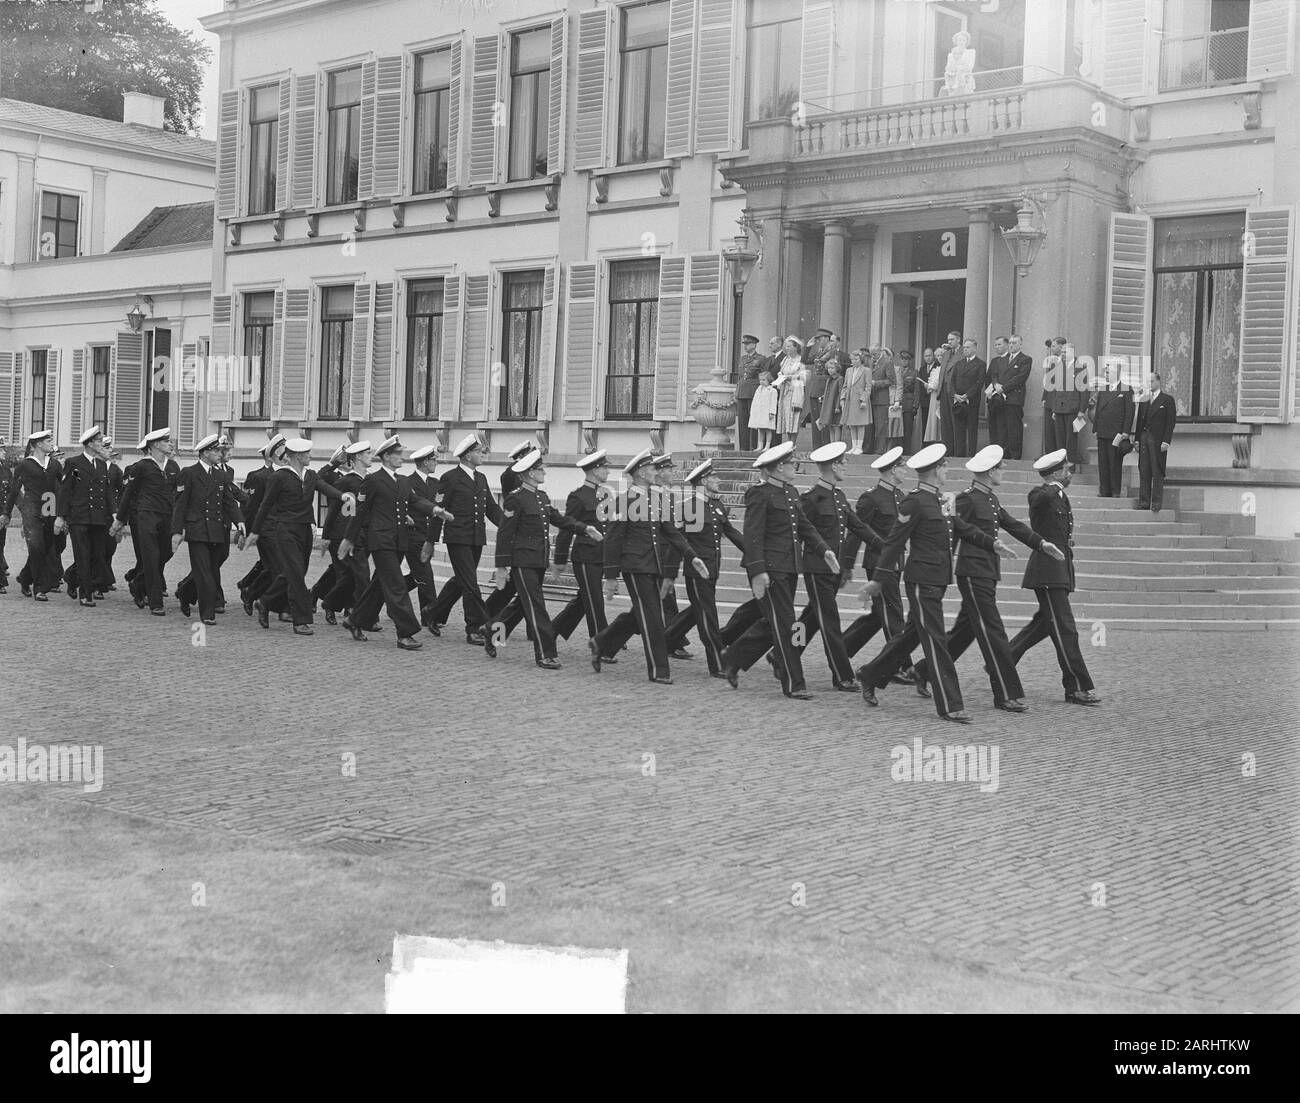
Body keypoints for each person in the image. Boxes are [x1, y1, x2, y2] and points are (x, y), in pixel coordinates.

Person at [855, 443, 1014, 723]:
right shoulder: (913, 501)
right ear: (933, 470)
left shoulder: (942, 500)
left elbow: (962, 529)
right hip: (920, 581)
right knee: (936, 640)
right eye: (943, 466)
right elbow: (894, 541)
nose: (947, 470)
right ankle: (950, 704)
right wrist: (878, 580)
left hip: (938, 579)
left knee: (910, 636)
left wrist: (992, 544)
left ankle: (870, 674)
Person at [912, 445, 1063, 713]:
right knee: (994, 632)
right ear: (990, 471)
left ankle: (922, 670)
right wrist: (941, 568)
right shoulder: (964, 499)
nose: (1003, 471)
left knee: (963, 632)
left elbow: (1013, 525)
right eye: (1001, 468)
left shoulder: (991, 499)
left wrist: (1041, 544)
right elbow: (951, 533)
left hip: (987, 572)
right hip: (971, 574)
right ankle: (1005, 693)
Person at [720, 441, 840, 700]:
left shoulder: (791, 492)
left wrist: (824, 549)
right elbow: (753, 535)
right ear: (776, 468)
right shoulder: (759, 494)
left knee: (774, 622)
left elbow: (805, 526)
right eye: (789, 463)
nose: (793, 466)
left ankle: (732, 657)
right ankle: (794, 683)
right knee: (787, 626)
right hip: (771, 570)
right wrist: (758, 571)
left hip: (789, 566)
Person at [590, 449, 705, 684]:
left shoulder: (654, 499)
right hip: (634, 566)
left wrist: (691, 556)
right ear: (641, 472)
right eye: (653, 469)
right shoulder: (623, 501)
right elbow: (613, 541)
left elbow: (671, 532)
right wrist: (610, 577)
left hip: (653, 565)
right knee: (652, 617)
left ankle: (601, 643)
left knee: (639, 615)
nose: (656, 472)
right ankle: (659, 670)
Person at [786, 441, 882, 690]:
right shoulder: (812, 498)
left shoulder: (838, 497)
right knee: (830, 621)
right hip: (816, 567)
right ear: (831, 466)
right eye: (842, 462)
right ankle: (842, 675)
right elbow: (799, 531)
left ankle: (782, 654)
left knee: (809, 619)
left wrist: (885, 546)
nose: (845, 466)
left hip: (832, 570)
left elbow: (859, 527)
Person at [1009, 449, 1101, 705]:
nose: (1069, 474)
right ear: (1055, 473)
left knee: (1042, 626)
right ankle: (1076, 687)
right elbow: (1037, 500)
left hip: (1058, 571)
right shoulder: (1043, 494)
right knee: (1066, 630)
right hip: (1047, 572)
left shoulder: (1059, 496)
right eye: (1066, 470)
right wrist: (1054, 485)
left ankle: (1001, 662)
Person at [491, 450, 598, 669]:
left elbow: (559, 519)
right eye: (541, 470)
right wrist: (501, 566)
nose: (544, 474)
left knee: (522, 605)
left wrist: (584, 528)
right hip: (522, 561)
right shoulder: (515, 498)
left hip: (538, 560)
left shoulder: (541, 497)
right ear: (530, 473)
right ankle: (545, 654)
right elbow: (504, 533)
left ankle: (492, 635)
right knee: (537, 607)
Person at [339, 436, 445, 650]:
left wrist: (434, 509)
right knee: (396, 586)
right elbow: (360, 512)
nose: (402, 458)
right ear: (386, 456)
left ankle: (355, 620)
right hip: (380, 541)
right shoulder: (373, 480)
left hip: (399, 541)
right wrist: (349, 538)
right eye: (398, 454)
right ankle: (405, 633)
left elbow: (414, 501)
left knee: (379, 586)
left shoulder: (403, 481)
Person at [247, 438, 345, 635]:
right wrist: (254, 532)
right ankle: (300, 620)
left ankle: (265, 602)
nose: (310, 456)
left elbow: (327, 489)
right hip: (285, 530)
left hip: (305, 530)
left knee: (295, 573)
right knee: (296, 574)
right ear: (298, 456)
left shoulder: (310, 476)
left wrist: (343, 496)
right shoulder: (279, 477)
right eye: (307, 454)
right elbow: (264, 506)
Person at [663, 458, 745, 677]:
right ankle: (718, 663)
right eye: (713, 477)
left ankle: (664, 642)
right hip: (697, 571)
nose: (718, 480)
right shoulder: (688, 508)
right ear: (702, 481)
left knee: (697, 611)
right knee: (708, 616)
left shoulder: (716, 505)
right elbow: (676, 541)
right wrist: (670, 575)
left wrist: (754, 553)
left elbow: (732, 533)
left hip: (713, 569)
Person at [426, 434, 507, 655]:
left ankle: (432, 612)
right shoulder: (450, 478)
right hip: (457, 538)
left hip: (476, 538)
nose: (482, 454)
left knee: (461, 580)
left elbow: (491, 507)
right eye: (479, 451)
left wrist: (507, 527)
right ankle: (474, 628)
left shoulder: (480, 478)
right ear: (467, 455)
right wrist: (430, 541)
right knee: (471, 583)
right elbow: (437, 510)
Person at [841, 447, 916, 678]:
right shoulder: (871, 497)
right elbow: (855, 532)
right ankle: (902, 665)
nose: (906, 470)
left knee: (879, 614)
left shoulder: (901, 497)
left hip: (896, 563)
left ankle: (841, 648)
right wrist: (846, 565)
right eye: (903, 467)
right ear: (893, 470)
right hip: (878, 564)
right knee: (893, 612)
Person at [170, 433, 245, 625]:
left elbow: (229, 501)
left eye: (220, 450)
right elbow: (180, 505)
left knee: (210, 571)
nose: (220, 454)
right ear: (204, 453)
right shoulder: (189, 473)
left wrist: (240, 521)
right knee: (204, 574)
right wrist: (177, 531)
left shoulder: (220, 475)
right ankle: (207, 614)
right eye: (215, 450)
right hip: (197, 530)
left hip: (216, 530)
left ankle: (185, 593)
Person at [111, 428, 179, 615]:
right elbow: (128, 494)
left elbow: (177, 495)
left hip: (167, 516)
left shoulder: (173, 467)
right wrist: (120, 520)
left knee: (165, 553)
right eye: (166, 442)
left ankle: (138, 582)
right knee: (150, 556)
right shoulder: (141, 466)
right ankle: (156, 602)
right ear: (155, 445)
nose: (170, 444)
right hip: (146, 516)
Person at [553, 450, 615, 655]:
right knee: (595, 601)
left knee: (584, 601)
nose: (608, 471)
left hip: (601, 555)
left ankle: (549, 632)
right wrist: (560, 559)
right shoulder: (578, 496)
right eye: (604, 467)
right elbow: (566, 527)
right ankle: (603, 644)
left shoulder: (605, 494)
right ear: (595, 470)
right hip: (585, 556)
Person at [56, 425, 117, 607]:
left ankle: (71, 577)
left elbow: (107, 493)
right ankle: (86, 594)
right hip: (79, 516)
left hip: (98, 518)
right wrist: (61, 516)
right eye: (98, 441)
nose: (101, 444)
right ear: (90, 444)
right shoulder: (74, 463)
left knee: (97, 555)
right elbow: (66, 490)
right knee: (82, 554)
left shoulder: (101, 465)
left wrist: (114, 514)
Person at [1, 430, 64, 601]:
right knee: (36, 547)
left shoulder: (54, 464)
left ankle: (25, 577)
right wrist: (6, 513)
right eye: (48, 441)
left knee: (46, 547)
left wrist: (63, 513)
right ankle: (40, 588)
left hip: (49, 507)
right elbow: (14, 490)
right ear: (38, 444)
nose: (51, 443)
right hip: (31, 508)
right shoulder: (25, 465)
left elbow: (65, 484)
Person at [317, 441, 372, 624]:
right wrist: (325, 537)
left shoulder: (370, 480)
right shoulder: (345, 481)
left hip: (363, 535)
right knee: (354, 575)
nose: (371, 456)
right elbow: (333, 509)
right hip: (342, 535)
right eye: (367, 453)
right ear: (357, 458)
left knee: (351, 576)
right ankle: (358, 613)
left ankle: (332, 603)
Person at [237, 434, 286, 612]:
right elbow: (251, 507)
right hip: (266, 529)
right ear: (274, 453)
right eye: (282, 448)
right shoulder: (261, 477)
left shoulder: (288, 473)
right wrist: (246, 532)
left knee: (272, 567)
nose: (286, 451)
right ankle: (261, 598)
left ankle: (250, 591)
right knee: (276, 567)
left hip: (282, 528)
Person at [405, 443, 448, 628]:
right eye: (433, 460)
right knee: (425, 575)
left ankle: (386, 593)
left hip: (427, 534)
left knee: (415, 576)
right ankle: (430, 615)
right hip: (412, 535)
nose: (436, 462)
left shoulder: (436, 483)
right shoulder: (408, 482)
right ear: (424, 462)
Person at [1089, 358, 1136, 498]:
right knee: (1102, 462)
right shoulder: (1103, 389)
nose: (1106, 374)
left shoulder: (1127, 389)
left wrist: (1126, 432)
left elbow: (1130, 412)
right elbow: (1098, 411)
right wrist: (1095, 428)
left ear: (1116, 372)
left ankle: (1115, 490)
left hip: (1116, 433)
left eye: (1109, 371)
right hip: (1103, 431)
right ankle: (1104, 490)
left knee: (1114, 463)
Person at [1134, 371, 1177, 512]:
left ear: (1158, 382)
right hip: (1145, 437)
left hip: (1158, 440)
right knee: (1144, 470)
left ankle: (1156, 502)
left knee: (1157, 470)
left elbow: (1170, 423)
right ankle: (1144, 501)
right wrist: (1137, 440)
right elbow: (1140, 421)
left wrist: (1166, 441)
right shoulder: (1145, 399)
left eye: (1152, 381)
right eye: (1148, 381)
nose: (1149, 384)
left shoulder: (1167, 400)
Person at [949, 337, 986, 458]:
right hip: (958, 401)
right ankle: (959, 455)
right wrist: (955, 394)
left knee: (971, 430)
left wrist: (967, 395)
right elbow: (952, 381)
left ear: (975, 348)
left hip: (971, 402)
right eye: (964, 347)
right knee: (959, 430)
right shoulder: (959, 364)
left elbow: (979, 383)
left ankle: (971, 455)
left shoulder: (980, 364)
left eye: (968, 347)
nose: (965, 349)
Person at [1000, 334, 1032, 460]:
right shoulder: (1003, 359)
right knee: (1003, 428)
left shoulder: (1025, 359)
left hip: (1014, 398)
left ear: (1020, 344)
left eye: (1014, 343)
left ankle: (1015, 455)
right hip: (1001, 398)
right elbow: (996, 373)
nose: (1011, 345)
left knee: (1014, 428)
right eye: (1010, 343)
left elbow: (1020, 378)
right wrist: (996, 385)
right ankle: (1005, 454)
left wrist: (1003, 388)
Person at [734, 334, 766, 451]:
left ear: (754, 345)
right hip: (742, 391)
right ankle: (744, 448)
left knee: (754, 420)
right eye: (744, 344)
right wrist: (736, 391)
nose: (745, 346)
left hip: (753, 391)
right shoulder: (743, 359)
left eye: (747, 344)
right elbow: (740, 377)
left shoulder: (761, 359)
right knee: (742, 421)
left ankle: (754, 446)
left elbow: (763, 376)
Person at [773, 337, 806, 444]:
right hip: (785, 390)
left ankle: (793, 443)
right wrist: (781, 376)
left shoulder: (800, 359)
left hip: (795, 390)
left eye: (789, 346)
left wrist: (789, 377)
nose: (786, 349)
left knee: (794, 417)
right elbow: (781, 371)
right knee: (787, 417)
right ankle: (788, 442)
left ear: (795, 347)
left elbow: (802, 376)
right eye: (786, 346)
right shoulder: (785, 359)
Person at [934, 330, 962, 453]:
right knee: (945, 422)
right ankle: (947, 450)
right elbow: (942, 373)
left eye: (952, 339)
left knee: (955, 421)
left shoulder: (962, 353)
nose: (949, 342)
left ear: (958, 340)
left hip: (955, 390)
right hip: (944, 390)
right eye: (948, 339)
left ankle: (957, 451)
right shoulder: (946, 354)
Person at [842, 349, 872, 454]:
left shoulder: (866, 370)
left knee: (860, 424)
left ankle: (859, 447)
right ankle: (854, 446)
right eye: (852, 359)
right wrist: (843, 398)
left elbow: (868, 387)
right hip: (850, 400)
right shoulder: (849, 371)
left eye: (856, 359)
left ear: (861, 359)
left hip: (860, 401)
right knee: (852, 424)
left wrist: (864, 399)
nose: (854, 361)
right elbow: (845, 386)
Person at [985, 336, 1010, 453]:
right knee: (993, 426)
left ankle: (1003, 451)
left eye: (999, 344)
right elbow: (988, 377)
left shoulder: (1010, 359)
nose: (997, 347)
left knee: (1003, 427)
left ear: (1006, 345)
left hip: (1005, 398)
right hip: (993, 398)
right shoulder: (994, 361)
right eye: (995, 345)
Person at [868, 344, 894, 454]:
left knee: (880, 428)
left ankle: (879, 451)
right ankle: (868, 450)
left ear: (880, 352)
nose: (873, 356)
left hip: (881, 399)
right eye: (871, 354)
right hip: (870, 398)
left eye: (874, 354)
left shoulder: (887, 362)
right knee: (869, 427)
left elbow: (892, 381)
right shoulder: (870, 362)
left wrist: (876, 383)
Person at [748, 368, 778, 452]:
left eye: (763, 380)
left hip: (767, 413)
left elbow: (773, 402)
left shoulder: (772, 390)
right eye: (760, 380)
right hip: (759, 413)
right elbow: (755, 400)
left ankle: (767, 446)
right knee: (760, 429)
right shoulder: (758, 389)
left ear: (769, 380)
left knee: (768, 429)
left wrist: (772, 412)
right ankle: (760, 445)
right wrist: (753, 410)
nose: (761, 382)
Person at [817, 357, 844, 447]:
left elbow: (840, 393)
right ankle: (832, 444)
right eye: (828, 368)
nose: (830, 370)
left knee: (836, 425)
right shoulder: (829, 379)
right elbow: (828, 391)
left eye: (832, 368)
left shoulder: (840, 379)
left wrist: (837, 406)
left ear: (837, 368)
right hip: (829, 405)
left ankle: (836, 444)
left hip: (835, 406)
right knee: (830, 425)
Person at [893, 350, 917, 450]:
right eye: (902, 359)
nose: (904, 361)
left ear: (910, 360)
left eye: (907, 359)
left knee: (907, 429)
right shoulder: (895, 371)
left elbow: (917, 390)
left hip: (908, 402)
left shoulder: (914, 372)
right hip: (896, 402)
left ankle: (906, 451)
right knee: (896, 428)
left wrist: (915, 405)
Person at [916, 347, 938, 447]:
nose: (928, 358)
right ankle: (925, 446)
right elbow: (920, 385)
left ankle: (934, 446)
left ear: (933, 356)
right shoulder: (922, 368)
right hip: (925, 401)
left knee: (934, 425)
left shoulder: (938, 366)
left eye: (929, 355)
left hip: (934, 400)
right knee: (925, 424)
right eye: (926, 356)